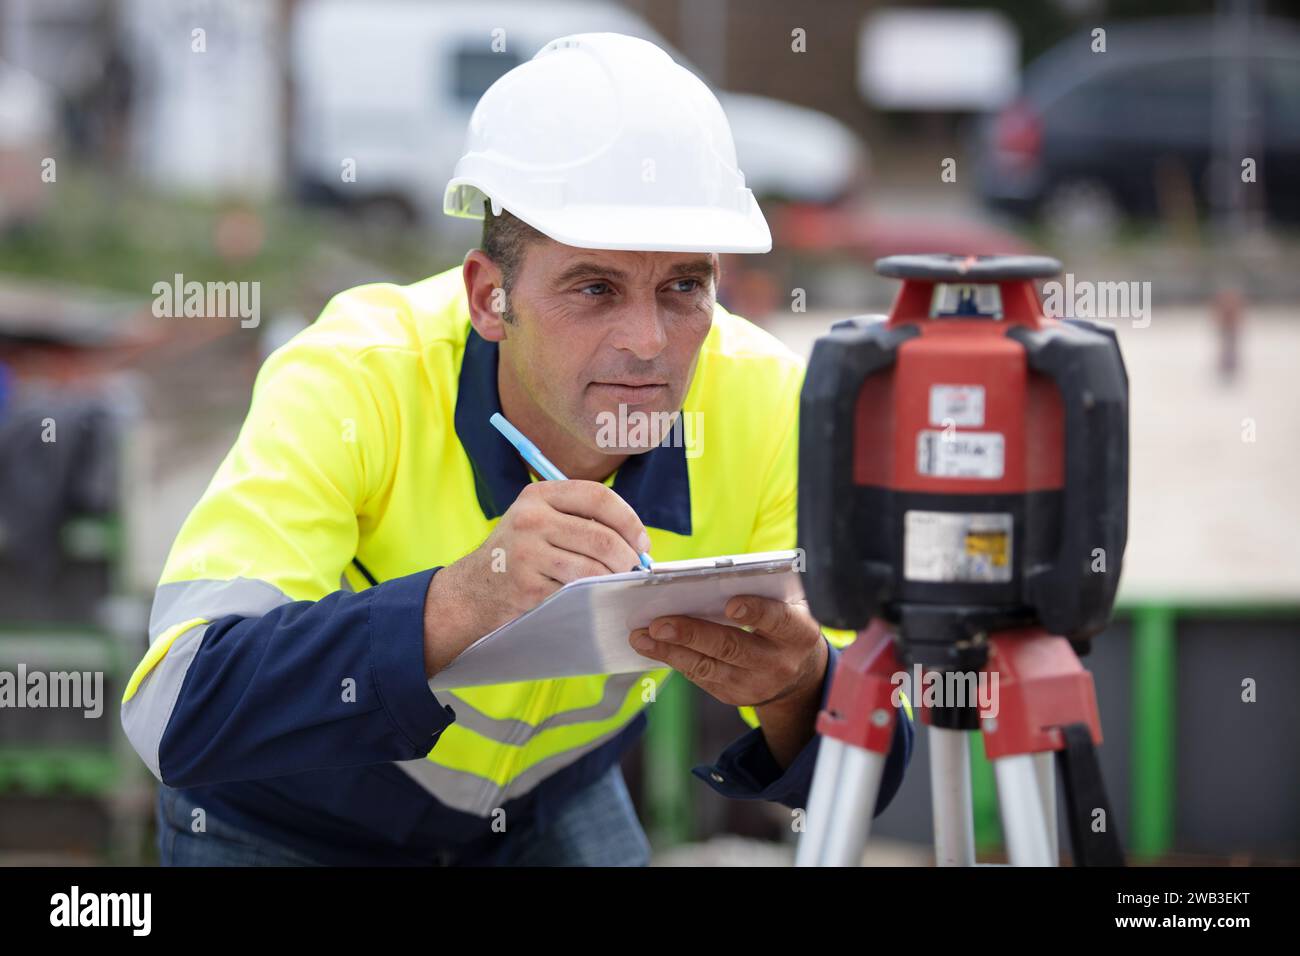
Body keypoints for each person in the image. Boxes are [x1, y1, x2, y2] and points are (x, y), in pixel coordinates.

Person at [121, 32, 912, 867]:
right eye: (595, 288)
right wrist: (462, 600)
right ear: (489, 297)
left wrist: (799, 689)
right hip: (282, 818)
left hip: (543, 805)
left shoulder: (770, 405)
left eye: (684, 285)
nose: (648, 342)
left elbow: (870, 761)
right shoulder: (357, 375)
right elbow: (178, 707)